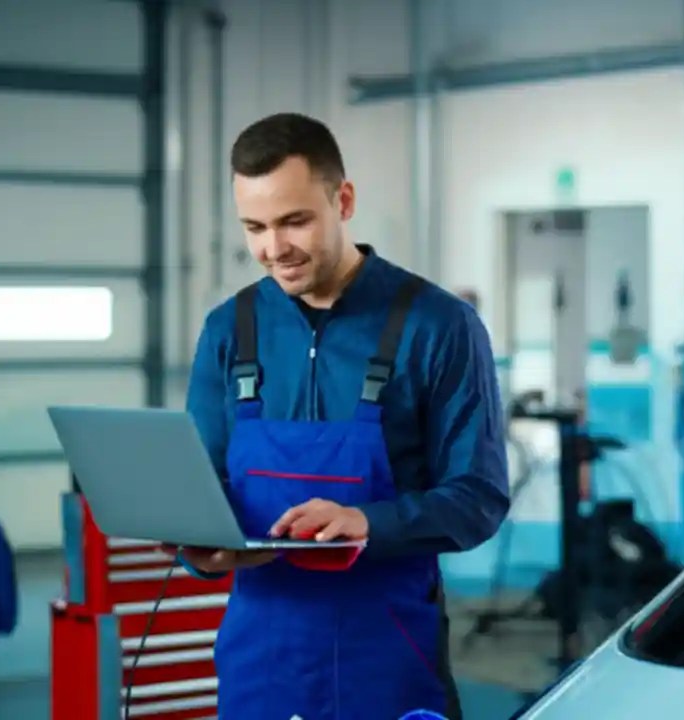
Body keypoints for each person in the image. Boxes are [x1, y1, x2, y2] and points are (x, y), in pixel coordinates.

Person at [172, 112, 510, 720]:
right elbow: (201, 489)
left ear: (343, 200)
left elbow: (478, 497)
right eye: (254, 227)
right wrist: (197, 549)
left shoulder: (438, 327)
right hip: (260, 664)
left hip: (386, 664)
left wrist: (367, 522)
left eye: (294, 221)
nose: (273, 249)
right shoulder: (229, 329)